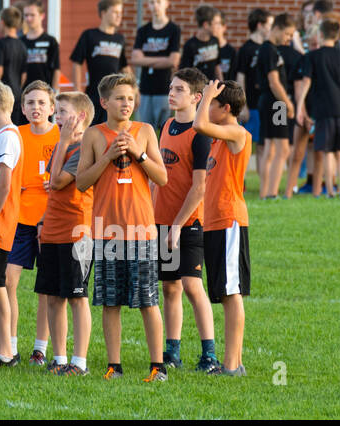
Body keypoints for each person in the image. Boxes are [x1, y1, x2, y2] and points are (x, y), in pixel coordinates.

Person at [74, 72, 168, 382]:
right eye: (119, 98)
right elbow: (81, 181)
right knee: (110, 300)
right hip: (106, 230)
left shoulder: (145, 131)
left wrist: (139, 154)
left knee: (147, 300)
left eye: (130, 98)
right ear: (104, 102)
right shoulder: (93, 134)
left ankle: (159, 366)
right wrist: (107, 157)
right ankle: (114, 365)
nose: (126, 103)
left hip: (141, 230)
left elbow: (161, 177)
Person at [154, 68, 218, 372]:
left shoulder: (200, 134)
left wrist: (178, 225)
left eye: (179, 89)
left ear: (196, 97)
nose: (171, 93)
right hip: (161, 221)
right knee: (170, 287)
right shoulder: (166, 125)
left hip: (188, 223)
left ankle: (209, 355)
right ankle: (172, 351)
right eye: (171, 88)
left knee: (193, 285)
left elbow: (200, 187)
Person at [193, 79, 252, 376]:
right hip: (214, 222)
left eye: (211, 102)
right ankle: (235, 362)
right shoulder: (219, 140)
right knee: (225, 292)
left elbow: (199, 124)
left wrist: (205, 97)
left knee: (231, 293)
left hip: (229, 220)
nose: (204, 105)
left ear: (225, 108)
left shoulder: (236, 132)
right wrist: (208, 97)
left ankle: (231, 364)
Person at [36, 91, 94, 374]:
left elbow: (57, 181)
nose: (56, 117)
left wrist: (61, 142)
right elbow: (53, 190)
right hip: (54, 230)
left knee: (76, 296)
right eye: (56, 112)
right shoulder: (65, 145)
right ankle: (59, 359)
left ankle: (79, 361)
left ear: (80, 117)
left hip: (77, 231)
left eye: (62, 112)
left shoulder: (81, 147)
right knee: (53, 296)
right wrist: (44, 221)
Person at [12, 81, 59, 366]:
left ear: (52, 108)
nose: (36, 108)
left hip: (52, 221)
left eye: (42, 103)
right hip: (19, 219)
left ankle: (40, 349)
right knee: (6, 282)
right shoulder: (16, 135)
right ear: (22, 108)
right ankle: (9, 344)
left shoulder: (61, 136)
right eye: (30, 103)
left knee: (46, 288)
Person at [295, 17, 340, 199]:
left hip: (324, 110)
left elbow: (306, 82)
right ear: (337, 36)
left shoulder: (312, 57)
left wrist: (300, 107)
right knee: (339, 150)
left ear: (321, 34)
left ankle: (331, 190)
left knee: (327, 150)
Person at [0, 82, 24, 367]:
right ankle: (4, 348)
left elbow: (4, 182)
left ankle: (6, 350)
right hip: (1, 222)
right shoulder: (4, 134)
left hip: (0, 224)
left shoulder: (7, 136)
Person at [256, 13, 299, 199]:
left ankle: (266, 192)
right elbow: (274, 82)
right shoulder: (269, 50)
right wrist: (287, 103)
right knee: (282, 148)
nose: (289, 39)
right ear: (278, 28)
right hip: (275, 103)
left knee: (271, 148)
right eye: (288, 34)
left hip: (271, 102)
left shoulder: (271, 49)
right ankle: (271, 192)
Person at [70, 0, 128, 122]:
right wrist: (77, 89)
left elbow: (124, 66)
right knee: (91, 128)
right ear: (103, 13)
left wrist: (134, 89)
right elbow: (77, 62)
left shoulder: (120, 39)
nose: (119, 16)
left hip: (114, 94)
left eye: (120, 13)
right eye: (115, 12)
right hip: (94, 93)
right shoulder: (89, 35)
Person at [131, 0, 180, 132]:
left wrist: (145, 59)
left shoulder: (173, 30)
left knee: (164, 131)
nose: (155, 5)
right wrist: (163, 59)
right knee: (144, 130)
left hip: (164, 88)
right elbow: (135, 59)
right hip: (145, 89)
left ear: (166, 4)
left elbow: (173, 61)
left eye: (159, 1)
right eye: (152, 2)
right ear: (148, 5)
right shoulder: (143, 31)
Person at [235, 8, 272, 162]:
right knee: (247, 145)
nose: (272, 28)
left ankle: (266, 184)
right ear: (260, 25)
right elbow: (240, 78)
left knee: (267, 144)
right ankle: (241, 183)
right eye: (270, 24)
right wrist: (243, 105)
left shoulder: (270, 48)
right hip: (253, 105)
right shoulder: (246, 50)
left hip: (271, 105)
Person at [0, 6, 27, 119]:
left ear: (2, 22)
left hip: (3, 94)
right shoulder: (22, 45)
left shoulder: (0, 44)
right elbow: (24, 75)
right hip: (17, 94)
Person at [20, 0, 60, 95]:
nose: (28, 19)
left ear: (42, 16)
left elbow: (56, 69)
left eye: (32, 15)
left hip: (45, 92)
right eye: (26, 15)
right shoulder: (20, 42)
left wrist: (54, 92)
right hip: (25, 93)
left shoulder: (51, 41)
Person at [180, 5, 224, 80]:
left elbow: (217, 66)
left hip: (212, 87)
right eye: (216, 23)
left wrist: (222, 84)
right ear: (206, 25)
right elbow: (185, 74)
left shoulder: (215, 41)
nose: (219, 26)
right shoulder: (190, 45)